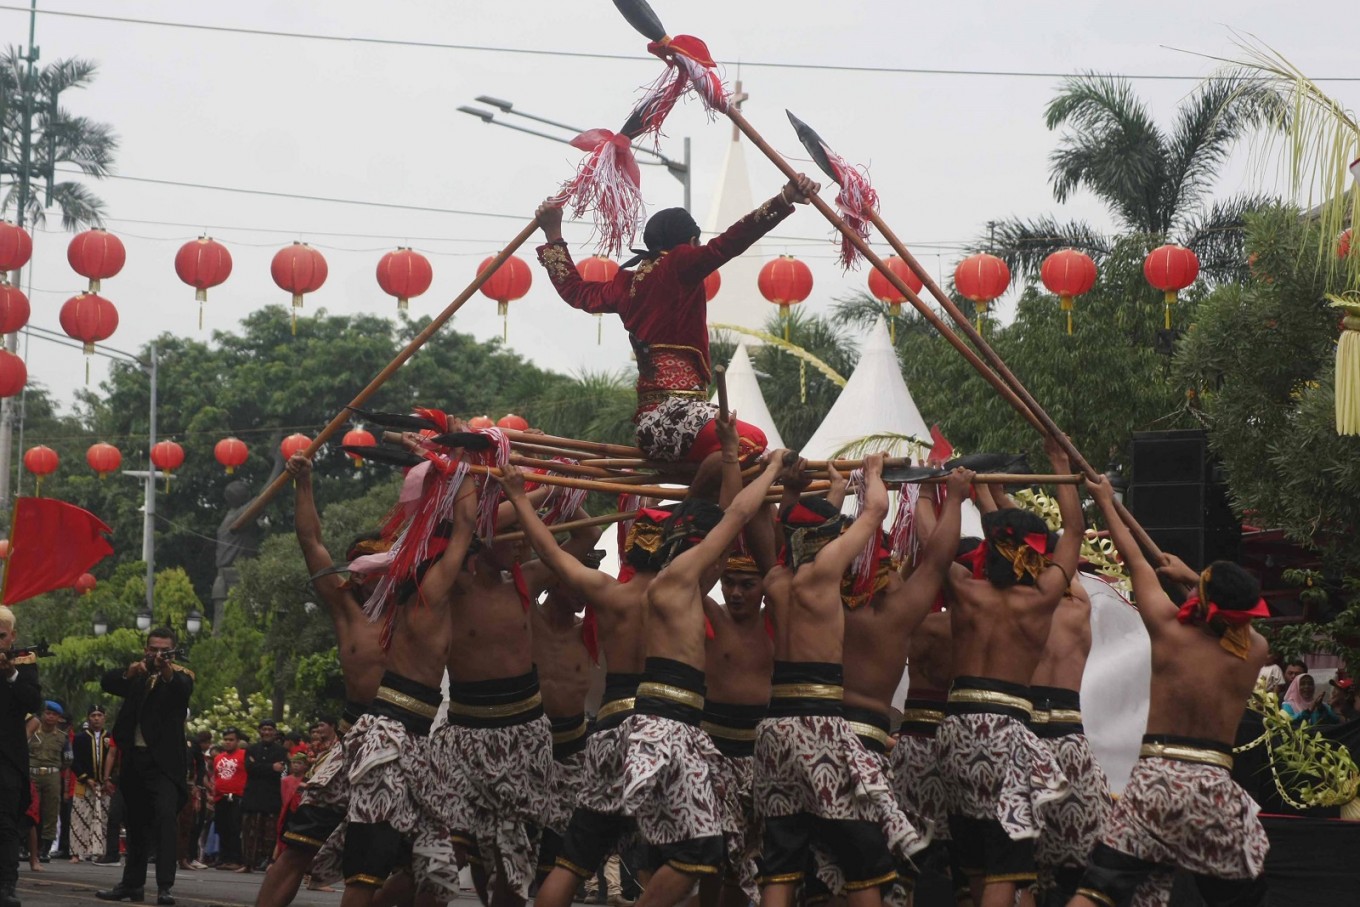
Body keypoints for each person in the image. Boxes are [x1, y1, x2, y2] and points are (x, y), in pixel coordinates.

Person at [533, 175, 819, 491]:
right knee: (753, 445)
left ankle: (712, 513)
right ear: (691, 243)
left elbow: (577, 292)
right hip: (674, 419)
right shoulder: (680, 263)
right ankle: (694, 512)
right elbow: (729, 243)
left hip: (656, 424)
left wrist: (553, 234)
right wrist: (783, 200)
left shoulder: (625, 283)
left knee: (755, 466)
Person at [1069, 476, 1270, 907]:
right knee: (1239, 898)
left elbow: (1135, 560)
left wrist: (1106, 501)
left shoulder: (1166, 631)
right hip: (1213, 789)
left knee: (1098, 890)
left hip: (1154, 783)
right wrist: (1196, 579)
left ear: (1203, 598)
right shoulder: (1255, 651)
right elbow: (1238, 617)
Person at [612, 446, 788, 907]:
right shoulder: (700, 606)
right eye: (728, 582)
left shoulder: (781, 618)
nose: (735, 592)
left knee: (740, 865)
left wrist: (771, 487)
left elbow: (767, 550)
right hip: (709, 750)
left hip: (757, 755)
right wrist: (727, 463)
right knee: (707, 857)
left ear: (763, 589)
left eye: (746, 584)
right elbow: (718, 530)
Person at [755, 453, 923, 907]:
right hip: (819, 725)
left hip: (774, 729)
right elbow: (875, 513)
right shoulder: (825, 573)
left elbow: (786, 531)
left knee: (782, 859)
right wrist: (870, 474)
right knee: (863, 858)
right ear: (824, 540)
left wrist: (804, 490)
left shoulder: (774, 579)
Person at [426, 481, 598, 907]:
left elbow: (588, 536)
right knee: (446, 855)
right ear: (489, 538)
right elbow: (463, 526)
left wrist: (557, 486)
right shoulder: (454, 584)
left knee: (515, 860)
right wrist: (529, 496)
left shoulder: (526, 577)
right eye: (515, 537)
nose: (523, 545)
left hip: (525, 734)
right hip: (466, 733)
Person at [936, 436, 1082, 907]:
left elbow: (931, 546)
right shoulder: (1044, 599)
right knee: (1006, 861)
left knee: (975, 859)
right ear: (1034, 555)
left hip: (954, 730)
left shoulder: (964, 588)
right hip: (1006, 733)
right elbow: (1075, 533)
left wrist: (943, 494)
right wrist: (1061, 465)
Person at [502, 477, 658, 907]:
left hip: (573, 746)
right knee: (511, 851)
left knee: (562, 851)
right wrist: (548, 490)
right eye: (578, 578)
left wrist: (562, 492)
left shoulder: (592, 629)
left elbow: (589, 536)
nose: (585, 590)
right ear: (556, 580)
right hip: (526, 744)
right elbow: (577, 538)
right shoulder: (524, 612)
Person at [255, 454, 392, 907]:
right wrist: (304, 481)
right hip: (354, 738)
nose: (377, 580)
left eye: (384, 571)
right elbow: (310, 539)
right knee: (297, 847)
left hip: (405, 743)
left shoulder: (417, 612)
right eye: (368, 572)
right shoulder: (346, 610)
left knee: (407, 864)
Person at [96, 628, 194, 906]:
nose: (158, 654)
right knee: (135, 824)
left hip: (163, 764)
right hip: (134, 761)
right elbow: (108, 683)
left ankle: (165, 887)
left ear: (172, 651)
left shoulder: (180, 676)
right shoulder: (138, 676)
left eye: (164, 649)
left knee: (164, 821)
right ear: (145, 649)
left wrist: (165, 671)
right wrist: (130, 672)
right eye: (153, 648)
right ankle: (132, 884)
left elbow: (181, 692)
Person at [0, 606, 42, 907]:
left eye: (1, 635)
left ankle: (6, 884)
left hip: (7, 756)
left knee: (6, 823)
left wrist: (10, 672)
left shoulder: (24, 665)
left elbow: (32, 701)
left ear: (12, 637)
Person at [241, 720, 288, 873]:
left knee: (270, 831)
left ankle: (268, 862)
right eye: (264, 729)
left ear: (275, 732)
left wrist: (260, 766)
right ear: (259, 731)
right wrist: (270, 767)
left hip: (271, 796)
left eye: (270, 729)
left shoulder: (281, 751)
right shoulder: (252, 749)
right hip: (253, 795)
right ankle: (248, 863)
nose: (267, 732)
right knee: (250, 830)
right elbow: (250, 768)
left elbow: (281, 769)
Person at [26, 701, 67, 865]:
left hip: (52, 775)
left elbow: (67, 760)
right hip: (33, 774)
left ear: (59, 718)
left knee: (51, 811)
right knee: (29, 810)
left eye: (54, 714)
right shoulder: (32, 733)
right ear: (43, 714)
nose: (50, 717)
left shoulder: (62, 738)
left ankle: (45, 849)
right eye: (48, 713)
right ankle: (26, 847)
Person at [70, 706, 113, 863]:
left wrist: (108, 780)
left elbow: (115, 760)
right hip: (84, 782)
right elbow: (74, 761)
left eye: (99, 715)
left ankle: (101, 852)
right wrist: (86, 778)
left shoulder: (110, 737)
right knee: (79, 816)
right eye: (93, 715)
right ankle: (76, 853)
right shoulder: (80, 738)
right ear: (88, 718)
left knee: (104, 818)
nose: (96, 718)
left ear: (104, 717)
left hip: (105, 785)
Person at [211, 729, 247, 872]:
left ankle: (235, 859)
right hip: (221, 797)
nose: (228, 742)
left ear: (237, 741)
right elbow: (216, 776)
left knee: (234, 828)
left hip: (237, 796)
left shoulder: (243, 755)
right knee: (222, 828)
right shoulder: (218, 758)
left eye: (231, 739)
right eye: (225, 739)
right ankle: (224, 858)